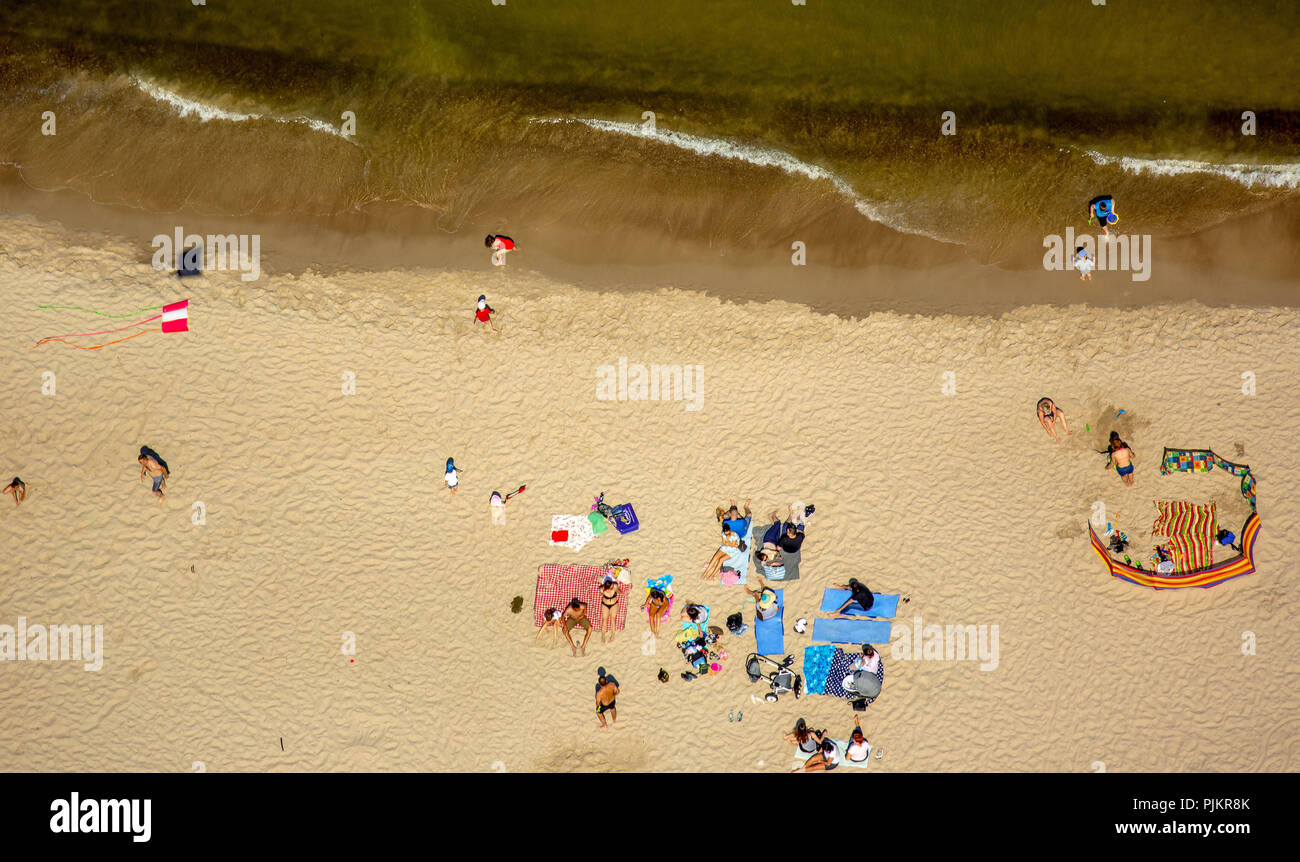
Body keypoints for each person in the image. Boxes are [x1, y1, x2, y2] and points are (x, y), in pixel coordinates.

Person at [596, 576, 621, 643]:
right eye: (607, 588)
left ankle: (612, 635)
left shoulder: (614, 586)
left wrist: (618, 591)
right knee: (604, 619)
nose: (608, 589)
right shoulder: (601, 589)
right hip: (605, 604)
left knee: (613, 619)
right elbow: (601, 594)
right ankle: (603, 635)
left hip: (614, 604)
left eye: (610, 588)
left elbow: (619, 591)